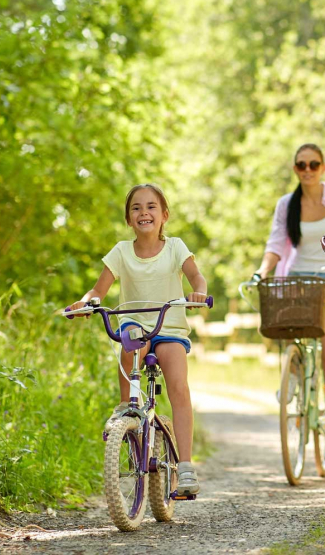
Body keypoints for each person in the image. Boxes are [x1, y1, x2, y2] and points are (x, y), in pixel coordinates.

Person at [68, 183, 207, 496]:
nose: (144, 212)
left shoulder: (175, 247)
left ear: (164, 215)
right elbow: (98, 291)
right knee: (129, 344)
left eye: (151, 207)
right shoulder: (120, 252)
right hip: (135, 322)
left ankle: (185, 466)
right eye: (136, 208)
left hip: (168, 325)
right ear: (128, 219)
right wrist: (86, 302)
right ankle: (127, 409)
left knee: (178, 384)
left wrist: (199, 290)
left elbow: (196, 276)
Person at [256, 144, 325, 460]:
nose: (308, 170)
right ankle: (293, 374)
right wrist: (263, 271)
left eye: (314, 164)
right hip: (298, 279)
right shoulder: (287, 205)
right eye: (302, 165)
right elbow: (276, 243)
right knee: (291, 335)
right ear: (295, 169)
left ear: (323, 167)